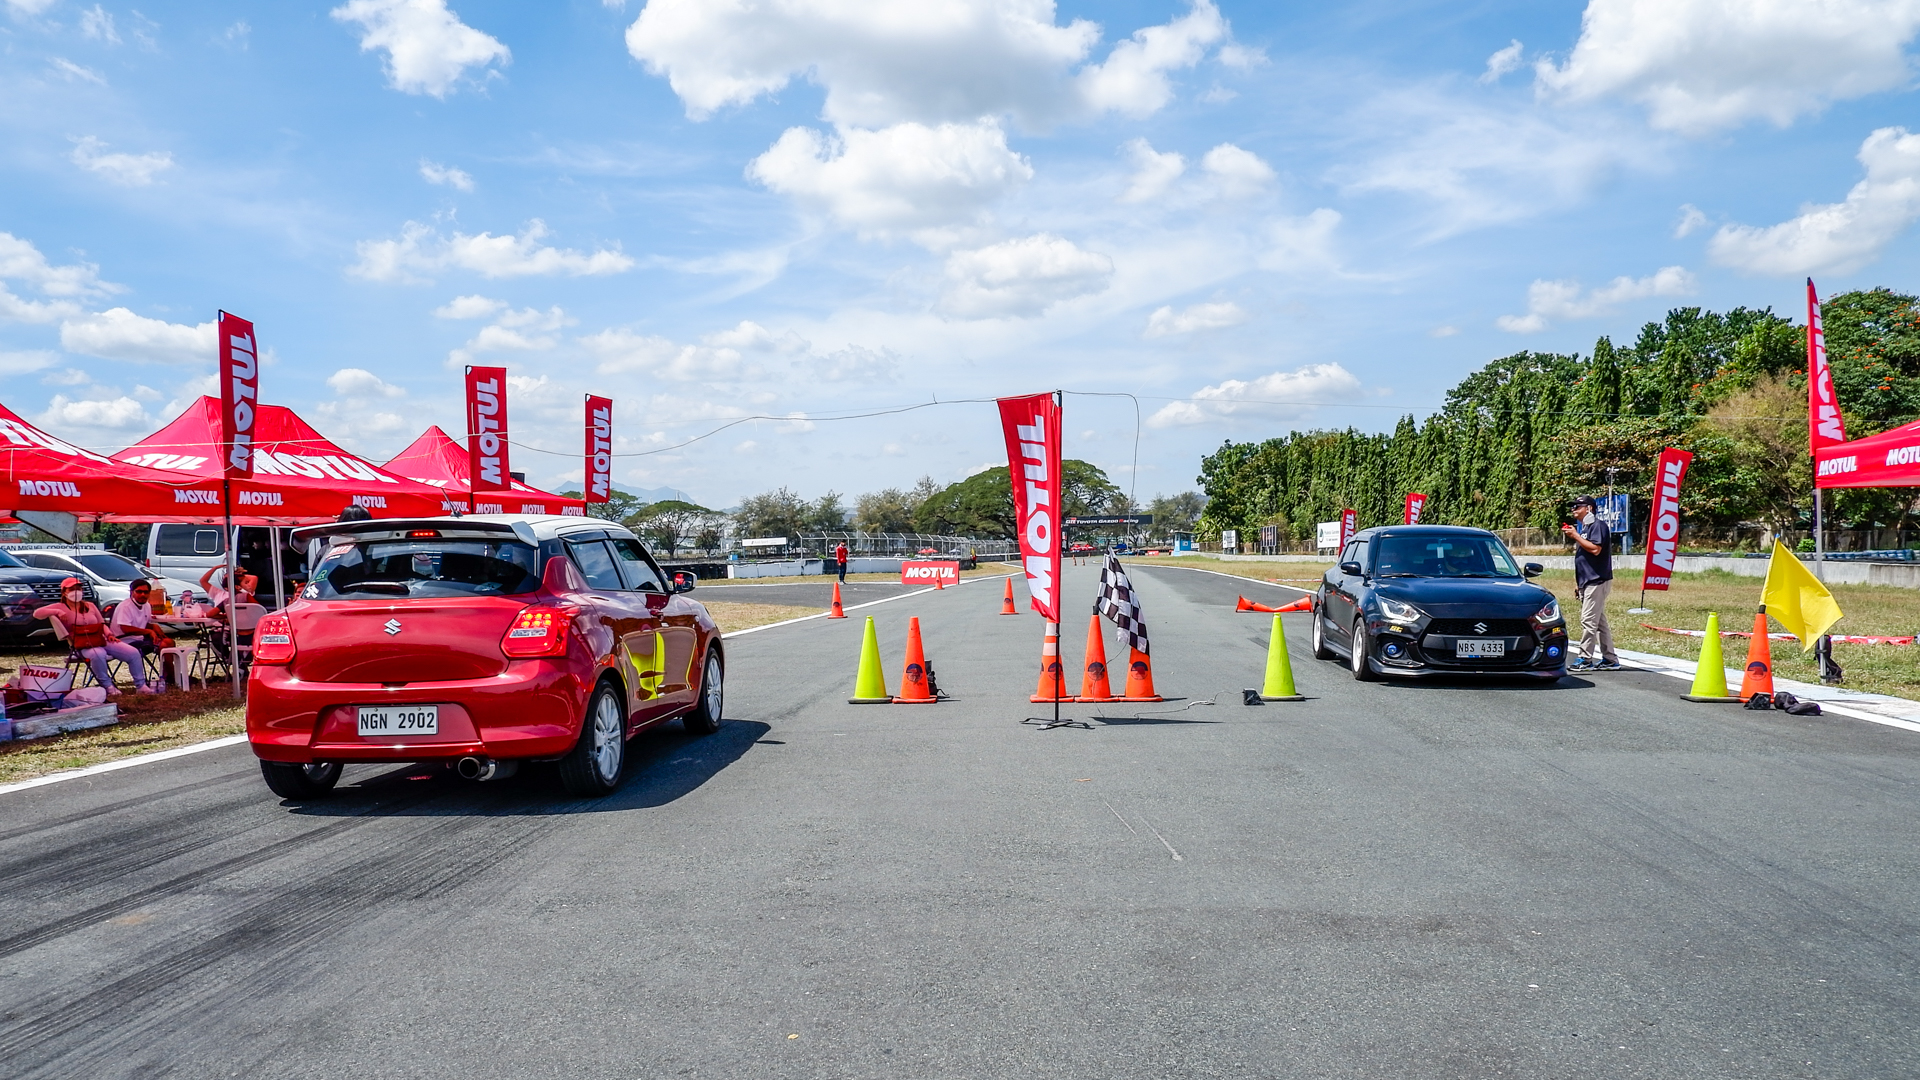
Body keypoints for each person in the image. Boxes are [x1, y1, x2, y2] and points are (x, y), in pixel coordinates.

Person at [34, 578, 157, 696]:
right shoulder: (59, 606)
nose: (76, 592)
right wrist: (57, 612)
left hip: (100, 639)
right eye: (71, 589)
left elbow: (101, 624)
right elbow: (37, 614)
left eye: (78, 589)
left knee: (133, 652)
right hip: (82, 644)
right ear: (64, 592)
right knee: (98, 654)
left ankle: (141, 685)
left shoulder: (90, 606)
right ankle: (108, 686)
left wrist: (109, 634)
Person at [1561, 494, 1619, 672]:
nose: (1574, 510)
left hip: (1597, 580)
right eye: (1573, 507)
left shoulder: (1597, 526)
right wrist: (1579, 583)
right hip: (1587, 581)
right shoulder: (1585, 527)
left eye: (1578, 506)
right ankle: (1610, 659)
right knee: (1599, 622)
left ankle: (1585, 658)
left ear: (1589, 508)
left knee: (1588, 620)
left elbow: (1595, 549)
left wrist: (1575, 536)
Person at [110, 580, 174, 671]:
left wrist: (153, 626)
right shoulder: (125, 606)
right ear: (132, 592)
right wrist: (148, 631)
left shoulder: (147, 605)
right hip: (124, 641)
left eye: (146, 592)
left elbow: (142, 623)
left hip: (139, 639)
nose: (143, 595)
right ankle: (171, 675)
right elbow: (125, 628)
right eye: (139, 592)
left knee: (168, 642)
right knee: (165, 645)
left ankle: (169, 674)